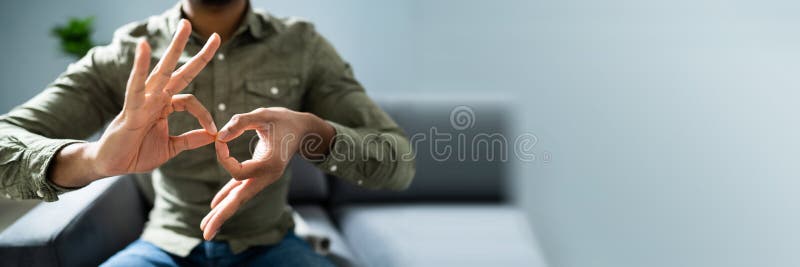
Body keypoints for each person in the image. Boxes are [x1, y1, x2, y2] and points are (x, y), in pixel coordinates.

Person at [0, 0, 415, 265]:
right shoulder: (129, 52)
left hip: (273, 244)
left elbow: (398, 163)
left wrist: (312, 130)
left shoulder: (301, 45)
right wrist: (90, 161)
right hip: (164, 245)